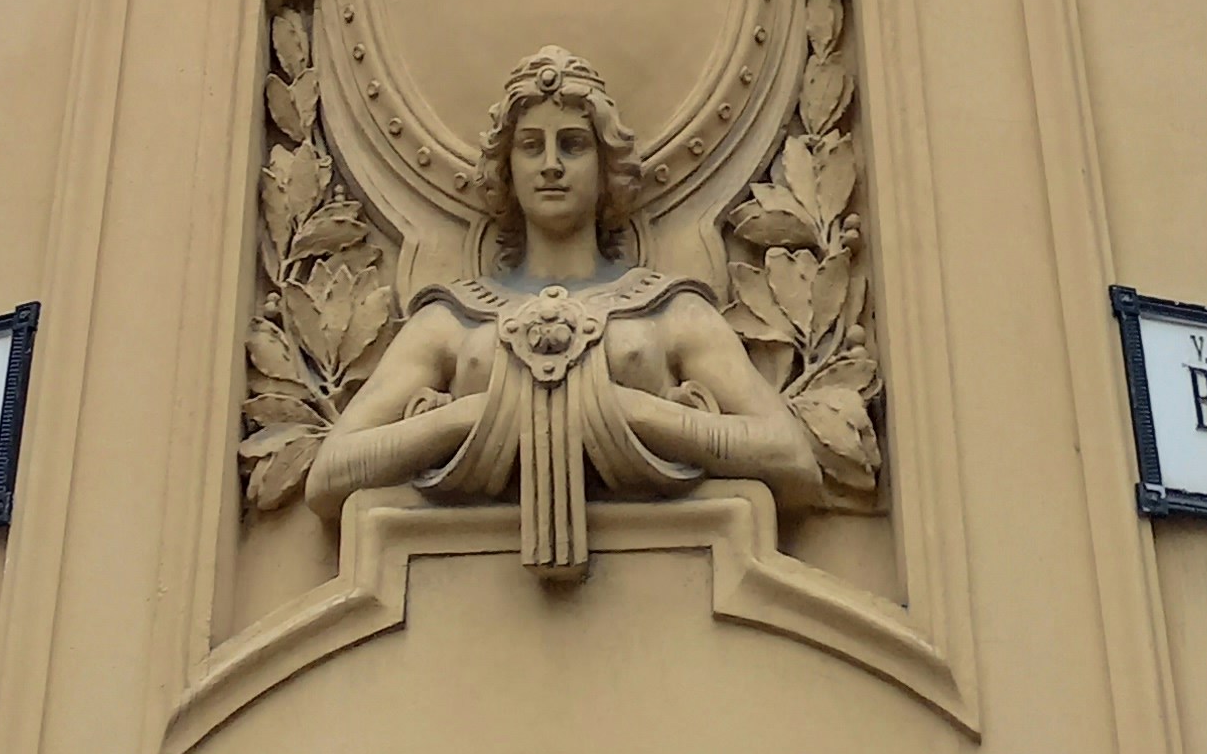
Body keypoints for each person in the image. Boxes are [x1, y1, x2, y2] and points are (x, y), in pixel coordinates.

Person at [307, 45, 821, 581]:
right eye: (531, 146)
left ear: (606, 168)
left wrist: (618, 410)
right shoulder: (451, 320)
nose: (551, 165)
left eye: (572, 145)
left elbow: (790, 459)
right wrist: (487, 415)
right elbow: (332, 473)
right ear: (506, 168)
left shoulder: (672, 312)